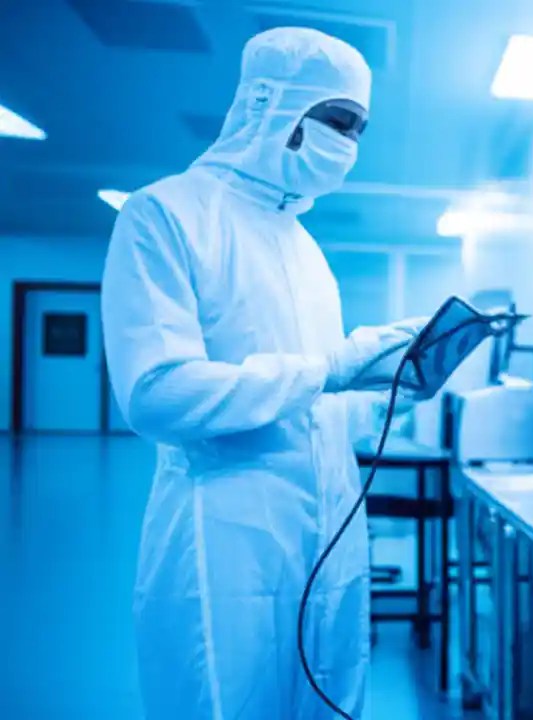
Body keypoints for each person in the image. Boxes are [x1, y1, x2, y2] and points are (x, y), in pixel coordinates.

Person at [102, 27, 413, 719]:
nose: (349, 144)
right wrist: (329, 369)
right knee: (229, 698)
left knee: (326, 694)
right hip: (228, 532)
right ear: (273, 104)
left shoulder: (305, 247)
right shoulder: (166, 213)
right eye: (338, 120)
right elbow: (157, 396)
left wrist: (388, 386)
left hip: (329, 525)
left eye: (361, 128)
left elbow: (316, 402)